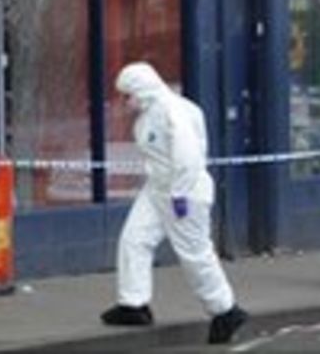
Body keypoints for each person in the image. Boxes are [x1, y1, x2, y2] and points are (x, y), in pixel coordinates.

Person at [100, 62, 247, 345]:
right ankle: (133, 303)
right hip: (158, 189)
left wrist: (180, 194)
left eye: (127, 95)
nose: (124, 101)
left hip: (184, 193)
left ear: (141, 90)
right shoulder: (149, 113)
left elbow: (188, 156)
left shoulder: (172, 112)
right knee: (134, 239)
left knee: (195, 253)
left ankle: (225, 310)